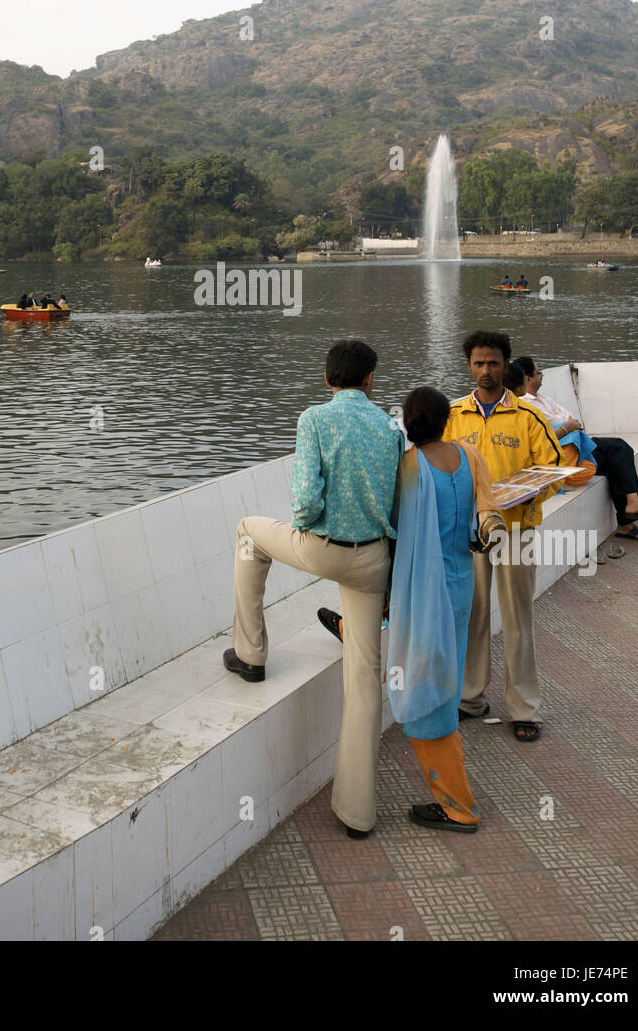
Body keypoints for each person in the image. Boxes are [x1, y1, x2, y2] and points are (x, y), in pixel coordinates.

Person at [226, 339, 404, 838]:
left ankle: (251, 653)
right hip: (373, 561)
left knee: (248, 531)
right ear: (370, 380)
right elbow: (396, 506)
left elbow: (305, 500)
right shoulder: (391, 428)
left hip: (322, 548)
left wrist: (308, 526)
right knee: (365, 680)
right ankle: (356, 813)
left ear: (329, 379)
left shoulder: (314, 420)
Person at [318, 386, 505, 833]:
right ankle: (352, 629)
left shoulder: (408, 467)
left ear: (406, 424)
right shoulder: (466, 456)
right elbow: (484, 509)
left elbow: (393, 530)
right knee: (440, 671)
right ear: (446, 421)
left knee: (426, 689)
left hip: (422, 591)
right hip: (460, 585)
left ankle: (459, 806)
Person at [443, 331, 564, 742]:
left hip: (517, 530)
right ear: (469, 366)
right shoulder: (453, 415)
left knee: (517, 618)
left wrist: (528, 491)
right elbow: (441, 468)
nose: (486, 370)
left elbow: (552, 467)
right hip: (470, 533)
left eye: (493, 363)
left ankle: (524, 707)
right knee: (473, 615)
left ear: (505, 364)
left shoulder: (529, 418)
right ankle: (470, 697)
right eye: (478, 363)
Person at [516, 356, 638, 544]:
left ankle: (628, 517)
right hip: (564, 454)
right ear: (528, 378)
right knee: (618, 449)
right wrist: (567, 426)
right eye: (538, 372)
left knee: (618, 455)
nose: (542, 375)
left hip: (578, 443)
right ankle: (630, 513)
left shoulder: (543, 399)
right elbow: (548, 435)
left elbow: (569, 418)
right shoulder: (525, 406)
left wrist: (569, 425)